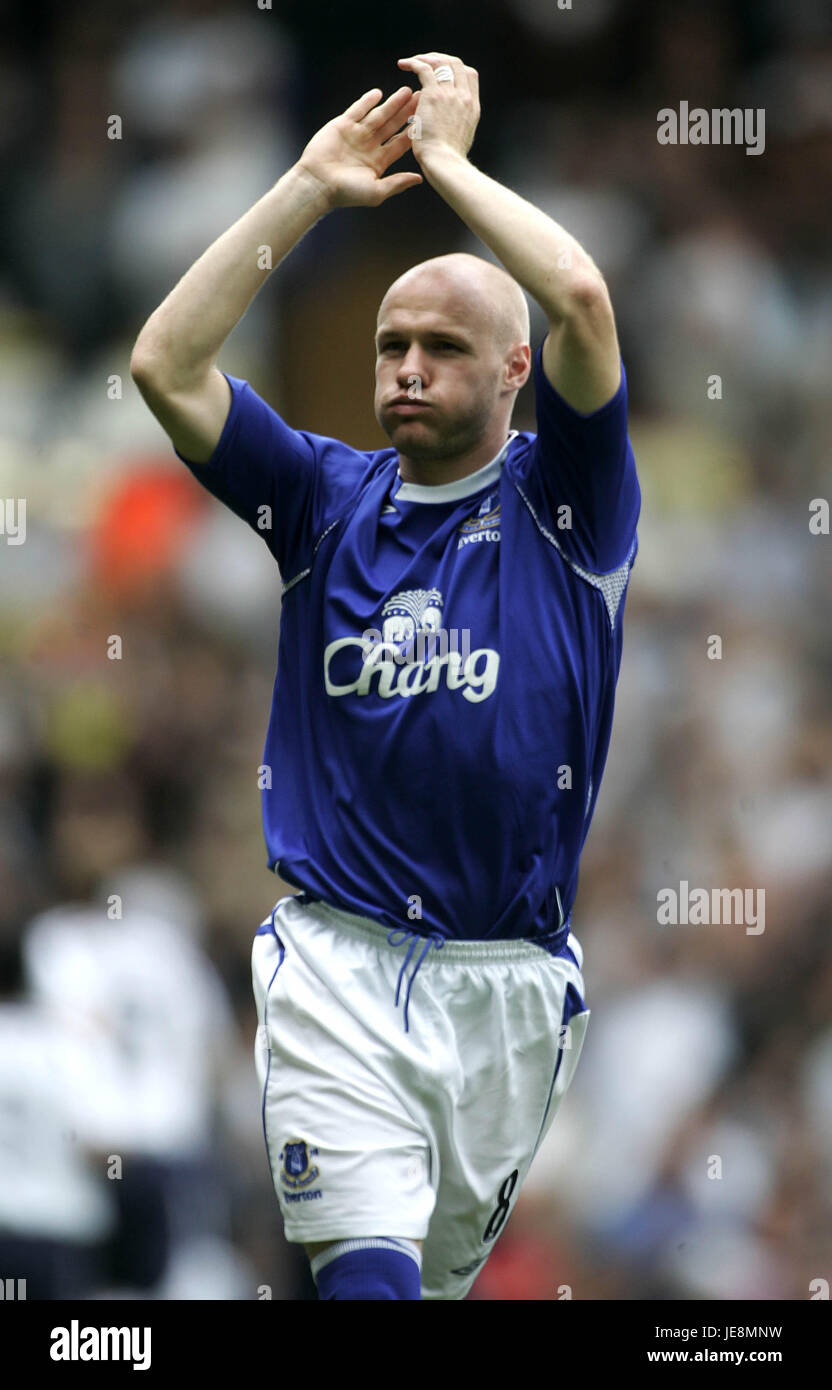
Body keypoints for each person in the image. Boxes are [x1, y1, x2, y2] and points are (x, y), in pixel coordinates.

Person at [130, 50, 641, 1301]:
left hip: (508, 993)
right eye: (390, 345)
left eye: (444, 349)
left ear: (513, 375)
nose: (406, 368)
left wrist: (452, 171)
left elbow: (575, 292)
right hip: (335, 970)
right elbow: (165, 365)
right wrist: (304, 189)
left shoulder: (571, 505)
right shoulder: (319, 497)